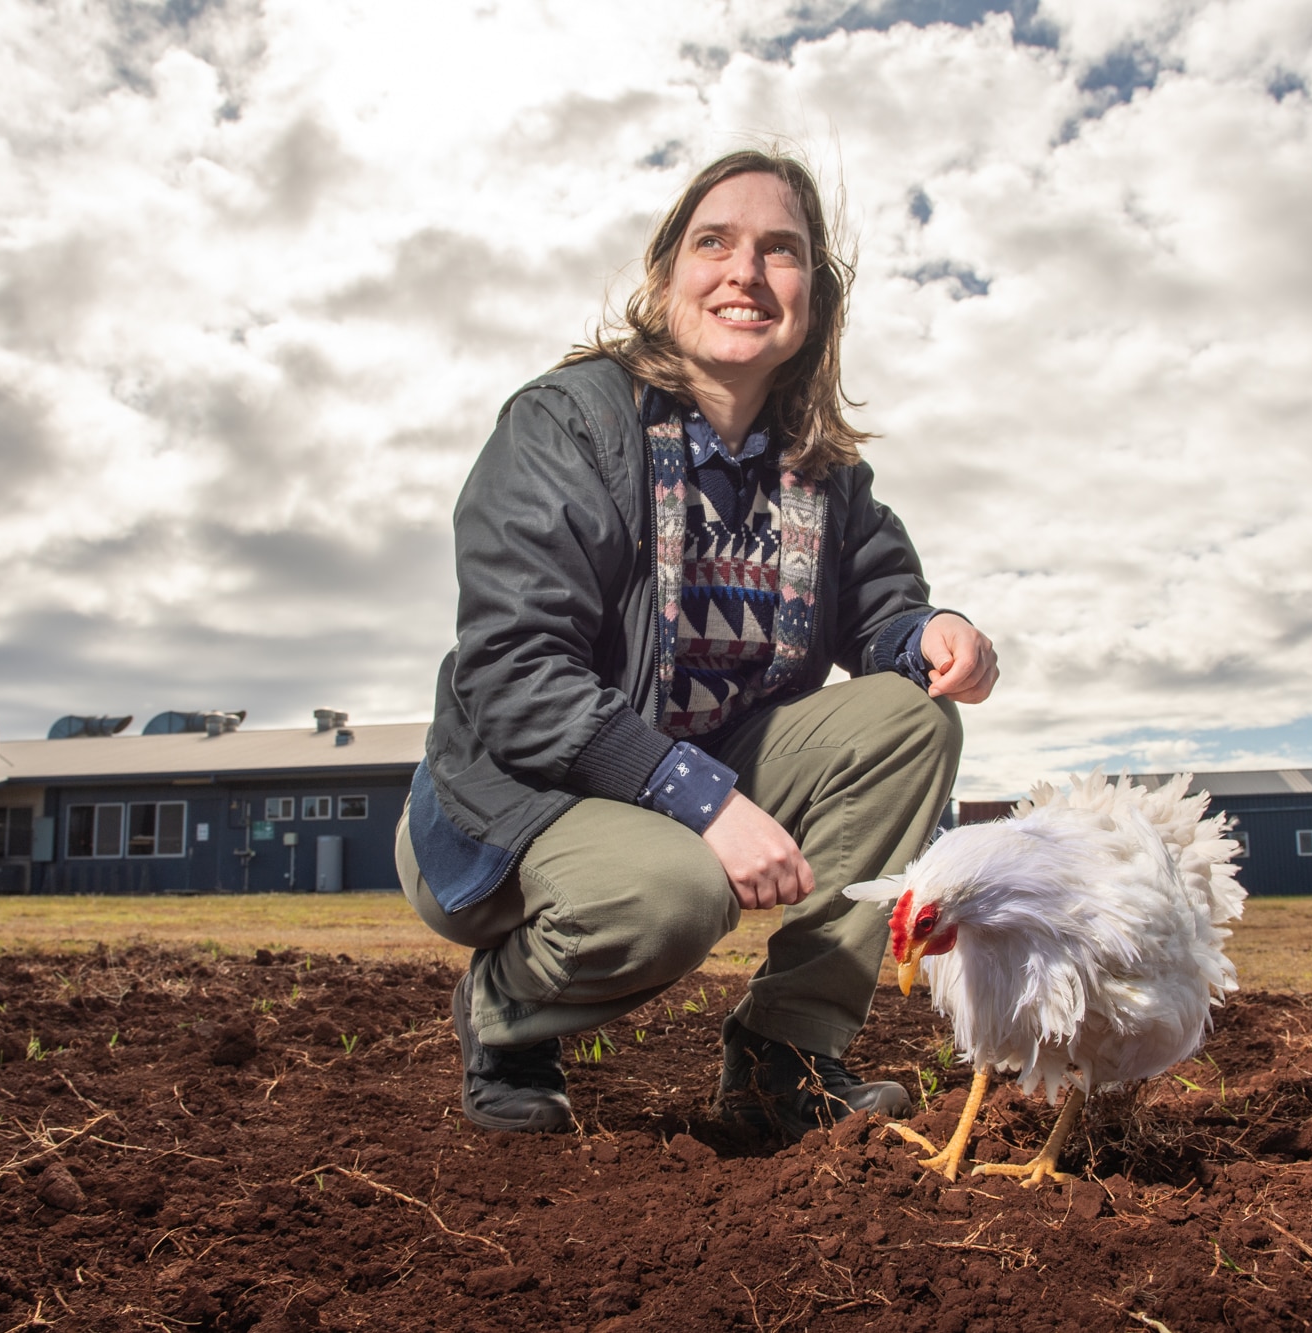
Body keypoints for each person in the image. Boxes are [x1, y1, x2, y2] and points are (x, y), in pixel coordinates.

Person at [397, 148, 999, 1139]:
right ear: (665, 275)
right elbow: (515, 677)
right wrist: (707, 805)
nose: (744, 273)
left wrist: (931, 633)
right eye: (712, 242)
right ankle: (504, 1013)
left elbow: (879, 607)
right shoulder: (572, 425)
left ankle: (784, 1058)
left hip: (696, 770)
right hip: (522, 797)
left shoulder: (822, 471)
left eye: (780, 250)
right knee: (671, 893)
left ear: (814, 294)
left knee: (908, 721)